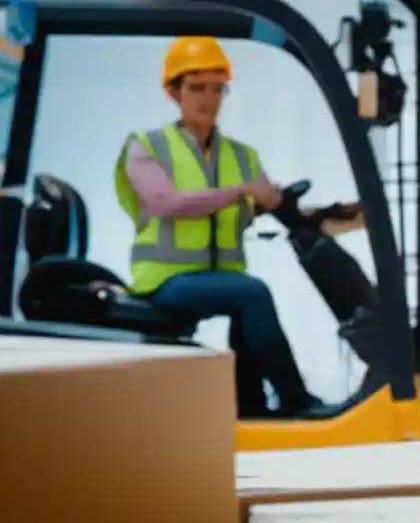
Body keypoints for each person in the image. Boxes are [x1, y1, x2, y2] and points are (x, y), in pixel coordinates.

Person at [115, 35, 323, 418]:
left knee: (246, 305)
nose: (208, 99)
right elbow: (167, 204)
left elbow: (252, 208)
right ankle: (297, 401)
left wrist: (297, 209)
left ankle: (251, 408)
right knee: (252, 294)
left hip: (218, 277)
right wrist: (242, 191)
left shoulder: (241, 156)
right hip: (164, 280)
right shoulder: (147, 147)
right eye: (197, 88)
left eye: (217, 89)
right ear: (174, 93)